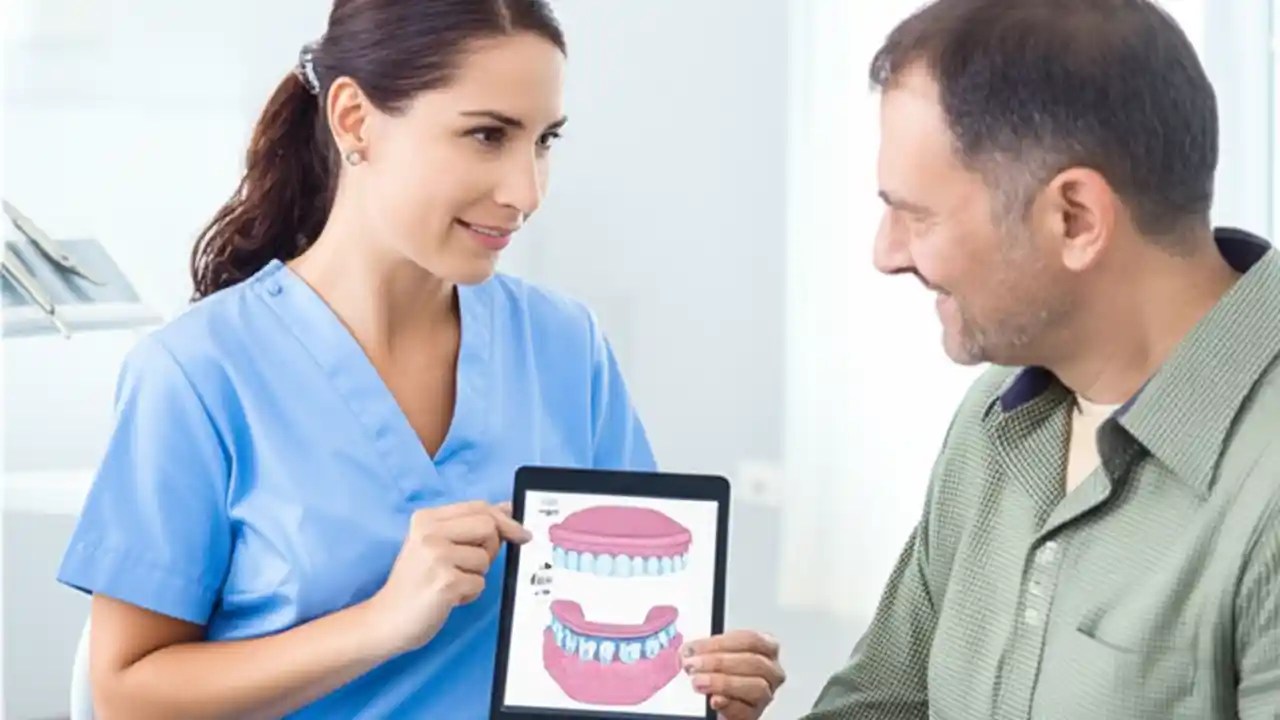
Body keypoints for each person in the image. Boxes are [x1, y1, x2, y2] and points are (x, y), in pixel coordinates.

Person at [55, 1, 785, 718]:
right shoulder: (198, 374)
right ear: (355, 120)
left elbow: (618, 643)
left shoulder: (567, 347)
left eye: (544, 141)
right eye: (487, 136)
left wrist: (702, 689)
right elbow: (127, 695)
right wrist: (379, 623)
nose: (525, 191)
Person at [805, 0, 1279, 718]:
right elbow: (881, 703)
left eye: (919, 215)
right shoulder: (997, 418)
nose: (886, 253)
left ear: (1075, 219)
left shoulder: (1263, 491)